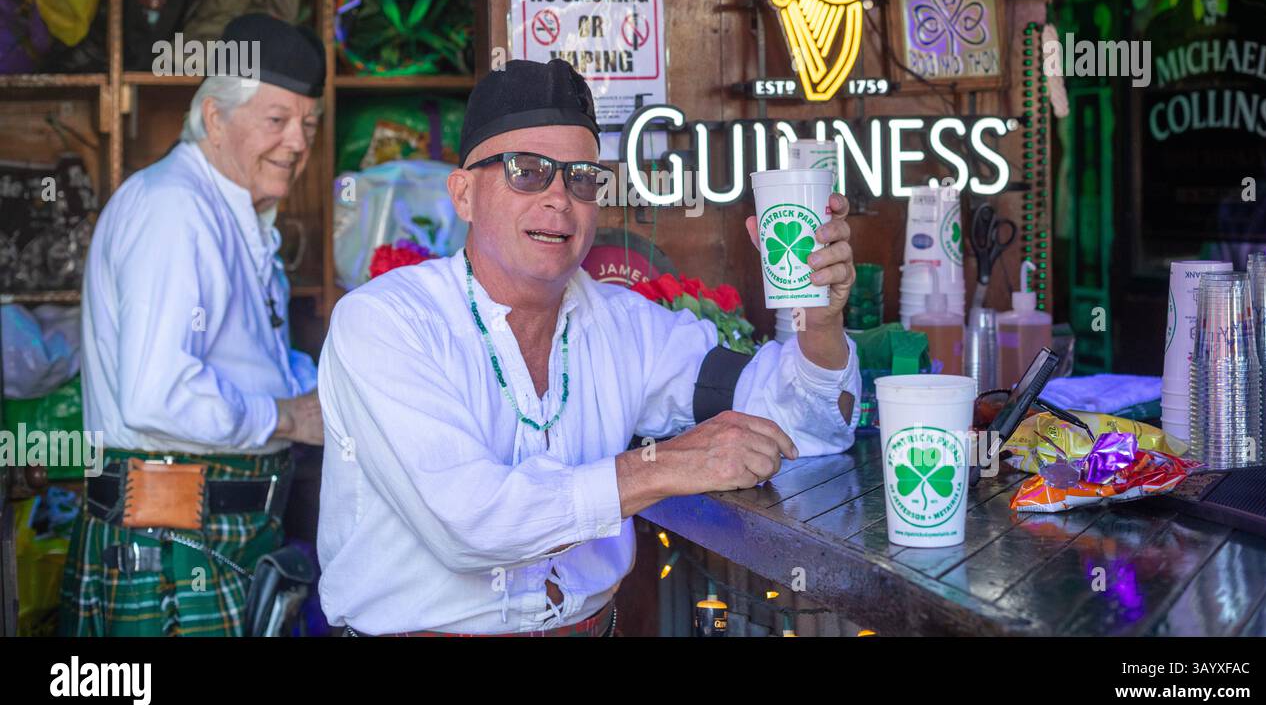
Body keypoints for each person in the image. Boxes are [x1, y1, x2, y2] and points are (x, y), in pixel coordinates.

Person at [317, 58, 861, 637]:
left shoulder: (626, 325)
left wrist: (819, 322)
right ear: (465, 193)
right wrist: (667, 465)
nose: (559, 198)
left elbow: (807, 428)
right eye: (527, 170)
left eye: (581, 177)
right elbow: (468, 525)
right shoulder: (386, 322)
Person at [61, 14, 326, 637]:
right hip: (170, 548)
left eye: (308, 124)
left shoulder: (240, 216)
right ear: (214, 117)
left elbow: (254, 360)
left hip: (220, 540)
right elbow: (159, 394)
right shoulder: (174, 209)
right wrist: (289, 417)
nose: (297, 142)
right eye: (277, 120)